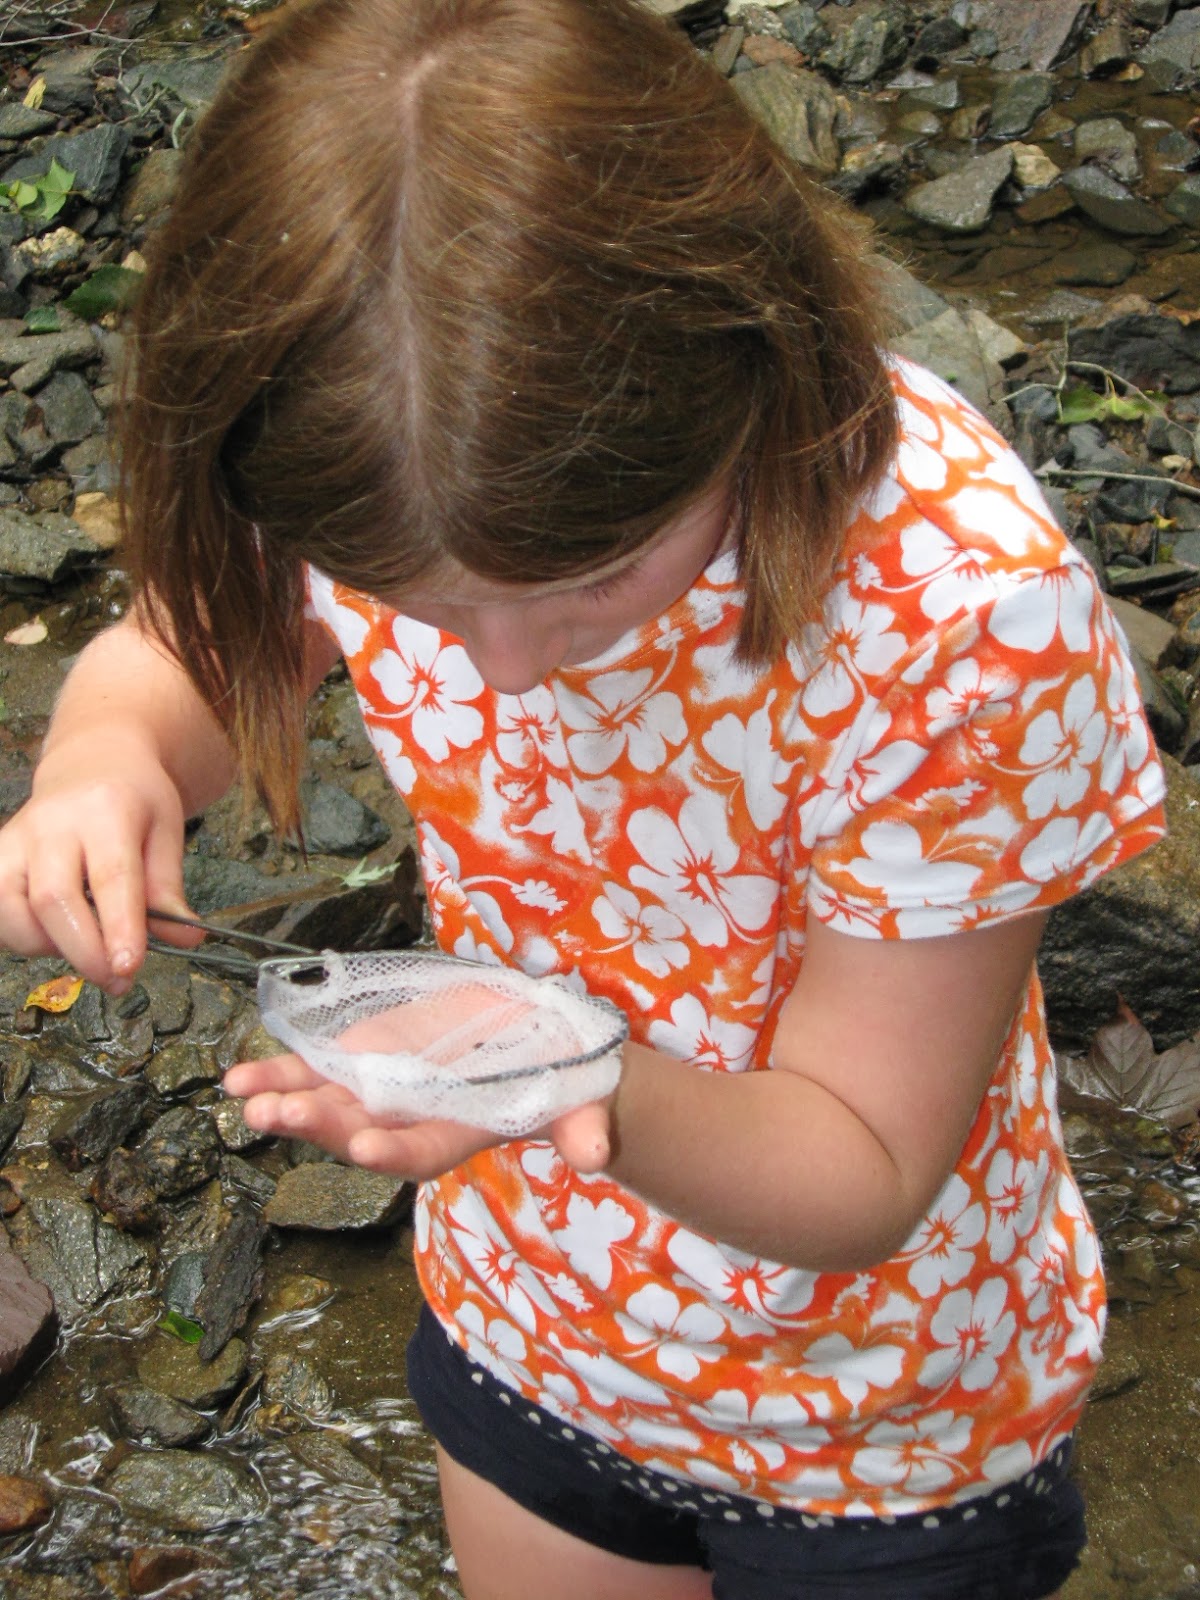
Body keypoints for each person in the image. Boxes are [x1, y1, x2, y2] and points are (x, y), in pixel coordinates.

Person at [0, 0, 1167, 1595]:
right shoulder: (381, 438)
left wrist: (546, 1074)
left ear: (754, 365)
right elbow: (188, 650)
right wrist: (106, 755)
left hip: (882, 1413)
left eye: (598, 584)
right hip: (532, 1319)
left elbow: (863, 1166)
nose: (510, 671)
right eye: (401, 601)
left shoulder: (961, 618)